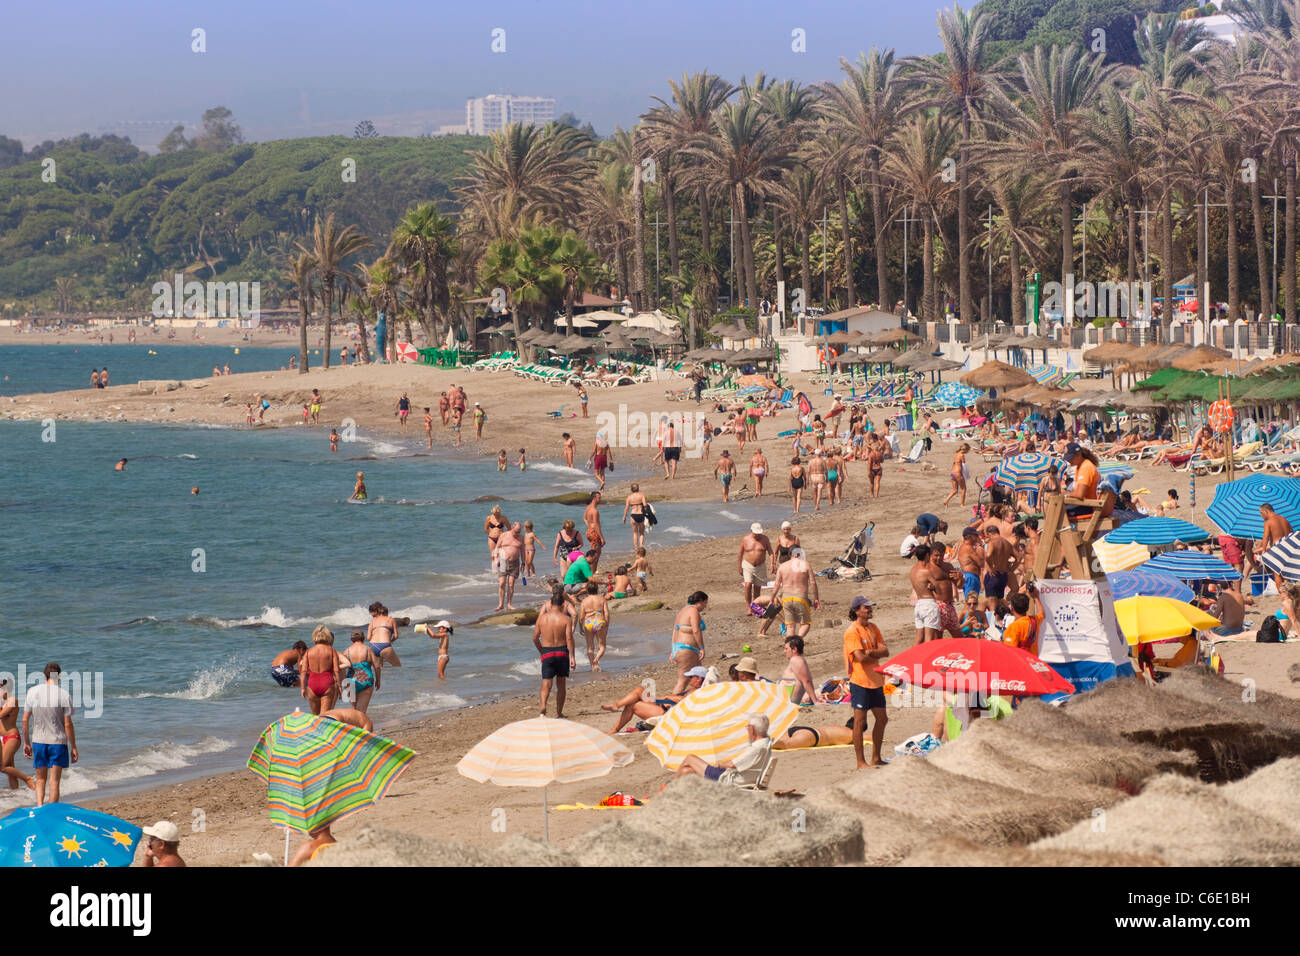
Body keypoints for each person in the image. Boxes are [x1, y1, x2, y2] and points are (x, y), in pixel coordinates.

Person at [842, 597, 889, 769]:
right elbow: (860, 658)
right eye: (866, 607)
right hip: (860, 681)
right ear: (856, 610)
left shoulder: (873, 627)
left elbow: (886, 651)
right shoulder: (852, 631)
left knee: (882, 719)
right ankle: (860, 761)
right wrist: (873, 653)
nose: (870, 610)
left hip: (876, 680)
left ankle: (876, 757)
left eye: (870, 607)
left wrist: (870, 651)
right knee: (859, 722)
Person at [22, 663, 77, 805]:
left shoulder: (32, 692)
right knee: (54, 781)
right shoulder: (64, 695)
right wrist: (74, 747)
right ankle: (52, 812)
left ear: (44, 675)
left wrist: (26, 742)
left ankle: (40, 807)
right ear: (59, 676)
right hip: (58, 742)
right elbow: (67, 724)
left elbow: (24, 720)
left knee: (40, 779)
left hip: (38, 741)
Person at [672, 714, 772, 785]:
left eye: (748, 728)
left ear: (752, 729)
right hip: (743, 778)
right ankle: (674, 794)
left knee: (690, 758)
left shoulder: (756, 749)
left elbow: (731, 764)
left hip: (729, 780)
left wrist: (719, 765)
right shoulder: (766, 745)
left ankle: (667, 792)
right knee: (687, 770)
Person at [602, 667, 705, 734]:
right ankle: (616, 706)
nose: (689, 679)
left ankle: (614, 727)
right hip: (664, 707)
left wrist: (667, 697)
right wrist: (664, 698)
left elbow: (689, 701)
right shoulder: (693, 689)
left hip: (667, 714)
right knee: (640, 690)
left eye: (691, 677)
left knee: (633, 705)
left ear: (699, 679)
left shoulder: (700, 691)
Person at [534, 587, 575, 717]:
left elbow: (535, 638)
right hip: (562, 651)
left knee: (546, 682)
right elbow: (569, 638)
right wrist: (572, 656)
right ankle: (559, 712)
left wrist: (542, 651)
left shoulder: (541, 619)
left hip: (547, 651)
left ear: (550, 604)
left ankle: (543, 706)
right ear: (563, 604)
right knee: (561, 684)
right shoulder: (565, 619)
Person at [770, 546, 819, 639]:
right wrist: (816, 598)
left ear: (789, 554)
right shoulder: (805, 565)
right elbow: (813, 583)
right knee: (805, 624)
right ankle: (797, 641)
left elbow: (776, 585)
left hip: (786, 598)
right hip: (800, 597)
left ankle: (789, 645)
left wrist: (772, 598)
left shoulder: (782, 566)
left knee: (790, 626)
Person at [670, 592, 708, 694]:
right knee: (683, 681)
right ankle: (668, 706)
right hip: (687, 649)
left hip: (679, 647)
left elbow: (675, 631)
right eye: (705, 603)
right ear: (700, 601)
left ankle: (698, 701)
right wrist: (701, 647)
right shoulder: (693, 611)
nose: (705, 607)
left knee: (701, 677)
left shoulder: (682, 611)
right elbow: (696, 630)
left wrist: (672, 651)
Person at [0, 680, 34, 791]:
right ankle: (16, 794)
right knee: (10, 770)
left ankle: (27, 779)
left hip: (12, 737)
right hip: (3, 739)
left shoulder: (12, 701)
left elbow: (1, 715)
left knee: (3, 767)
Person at [301, 626, 341, 715]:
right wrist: (339, 687)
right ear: (327, 637)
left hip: (312, 684)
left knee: (315, 717)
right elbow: (336, 670)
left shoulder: (308, 652)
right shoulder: (331, 651)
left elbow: (303, 672)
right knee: (324, 717)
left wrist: (303, 688)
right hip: (327, 683)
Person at [777, 635, 823, 705]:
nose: (784, 651)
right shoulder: (798, 660)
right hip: (785, 699)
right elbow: (807, 680)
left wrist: (815, 701)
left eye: (786, 649)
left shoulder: (796, 660)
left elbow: (807, 681)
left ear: (794, 649)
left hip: (787, 702)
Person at [343, 629, 381, 713]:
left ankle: (353, 725)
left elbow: (341, 668)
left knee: (354, 709)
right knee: (362, 711)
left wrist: (341, 683)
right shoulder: (368, 649)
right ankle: (361, 725)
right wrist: (378, 680)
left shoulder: (347, 651)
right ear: (363, 638)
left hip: (350, 681)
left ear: (351, 639)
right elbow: (377, 666)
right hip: (366, 680)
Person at [739, 523, 773, 608]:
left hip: (760, 566)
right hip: (747, 565)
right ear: (751, 531)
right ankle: (748, 606)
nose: (757, 535)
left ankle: (754, 606)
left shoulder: (765, 539)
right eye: (755, 533)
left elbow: (770, 552)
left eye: (759, 533)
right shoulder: (745, 539)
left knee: (757, 588)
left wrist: (773, 564)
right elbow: (740, 554)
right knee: (748, 585)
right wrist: (739, 566)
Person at [578, 580, 610, 671]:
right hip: (599, 622)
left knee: (590, 647)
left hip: (588, 623)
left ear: (587, 590)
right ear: (597, 589)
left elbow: (581, 617)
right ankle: (596, 659)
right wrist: (607, 624)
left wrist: (580, 627)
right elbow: (607, 614)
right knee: (602, 646)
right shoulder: (602, 599)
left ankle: (593, 665)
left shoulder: (584, 601)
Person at [1001, 589, 1044, 656]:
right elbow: (1042, 614)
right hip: (1033, 662)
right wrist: (1036, 597)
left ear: (1012, 608)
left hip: (1020, 663)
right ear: (1027, 608)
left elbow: (1009, 651)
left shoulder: (1013, 627)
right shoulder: (1034, 621)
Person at [494, 522, 523, 611]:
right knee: (502, 583)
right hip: (503, 561)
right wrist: (496, 560)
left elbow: (522, 551)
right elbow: (497, 548)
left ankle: (509, 604)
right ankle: (500, 604)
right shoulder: (504, 535)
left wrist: (524, 563)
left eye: (519, 531)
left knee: (511, 584)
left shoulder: (521, 537)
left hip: (515, 563)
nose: (518, 533)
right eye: (516, 531)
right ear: (512, 528)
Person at [366, 601, 402, 667]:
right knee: (397, 666)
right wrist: (391, 641)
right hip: (385, 645)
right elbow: (396, 636)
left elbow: (368, 638)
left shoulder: (372, 622)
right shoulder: (391, 619)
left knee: (378, 669)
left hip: (372, 646)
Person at [957, 527, 985, 601]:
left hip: (970, 576)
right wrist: (981, 549)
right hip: (970, 576)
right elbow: (980, 563)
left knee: (973, 601)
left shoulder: (965, 547)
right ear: (970, 536)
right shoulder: (968, 547)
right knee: (971, 602)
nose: (977, 538)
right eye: (975, 536)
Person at [623, 483, 651, 551]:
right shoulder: (642, 495)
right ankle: (641, 546)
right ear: (638, 488)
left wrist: (624, 517)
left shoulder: (629, 497)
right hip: (641, 514)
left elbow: (626, 508)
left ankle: (636, 548)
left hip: (633, 515)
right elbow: (645, 505)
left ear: (631, 489)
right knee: (641, 532)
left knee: (635, 533)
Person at [584, 491, 605, 566]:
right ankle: (593, 571)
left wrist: (589, 527)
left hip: (589, 532)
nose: (600, 499)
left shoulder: (588, 507)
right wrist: (602, 538)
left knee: (594, 551)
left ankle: (593, 570)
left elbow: (585, 518)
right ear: (594, 498)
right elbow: (596, 524)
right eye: (599, 498)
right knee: (596, 554)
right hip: (594, 533)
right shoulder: (595, 511)